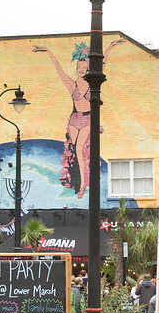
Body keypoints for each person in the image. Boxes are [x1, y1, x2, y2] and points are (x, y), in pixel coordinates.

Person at [34, 39, 126, 197]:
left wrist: (110, 46)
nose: (82, 69)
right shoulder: (72, 85)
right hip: (74, 120)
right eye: (79, 67)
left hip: (87, 120)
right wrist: (48, 51)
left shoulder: (92, 84)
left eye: (85, 67)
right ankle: (76, 181)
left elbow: (102, 63)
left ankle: (83, 185)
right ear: (76, 70)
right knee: (75, 154)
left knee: (79, 149)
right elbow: (59, 70)